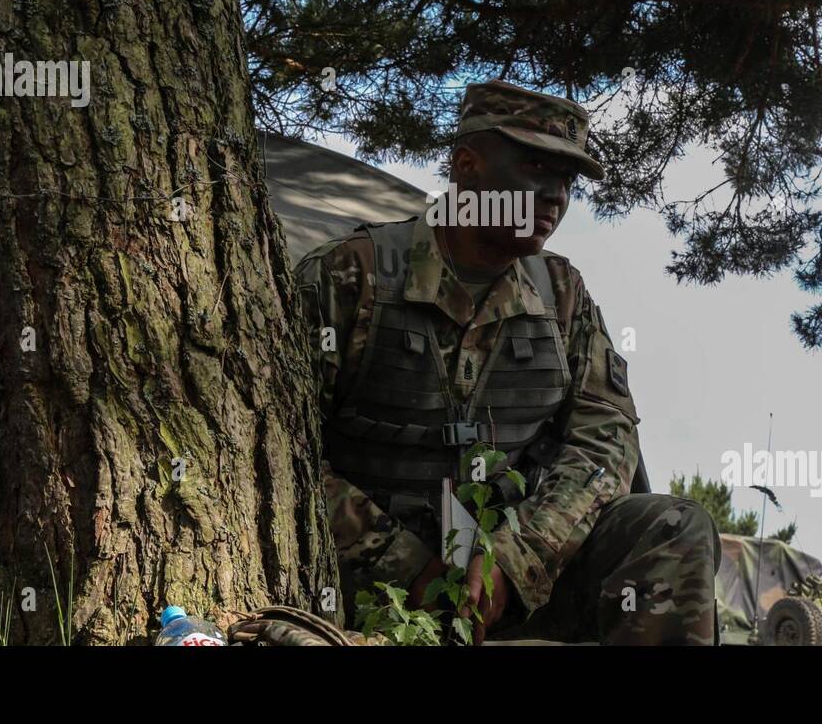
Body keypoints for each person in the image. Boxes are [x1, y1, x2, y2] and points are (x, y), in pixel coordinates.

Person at [295, 79, 721, 644]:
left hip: (519, 579)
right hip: (372, 581)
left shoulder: (561, 293)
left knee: (673, 525)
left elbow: (605, 441)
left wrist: (514, 563)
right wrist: (405, 567)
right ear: (467, 166)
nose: (556, 197)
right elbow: (281, 454)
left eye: (566, 180)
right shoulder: (351, 276)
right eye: (537, 170)